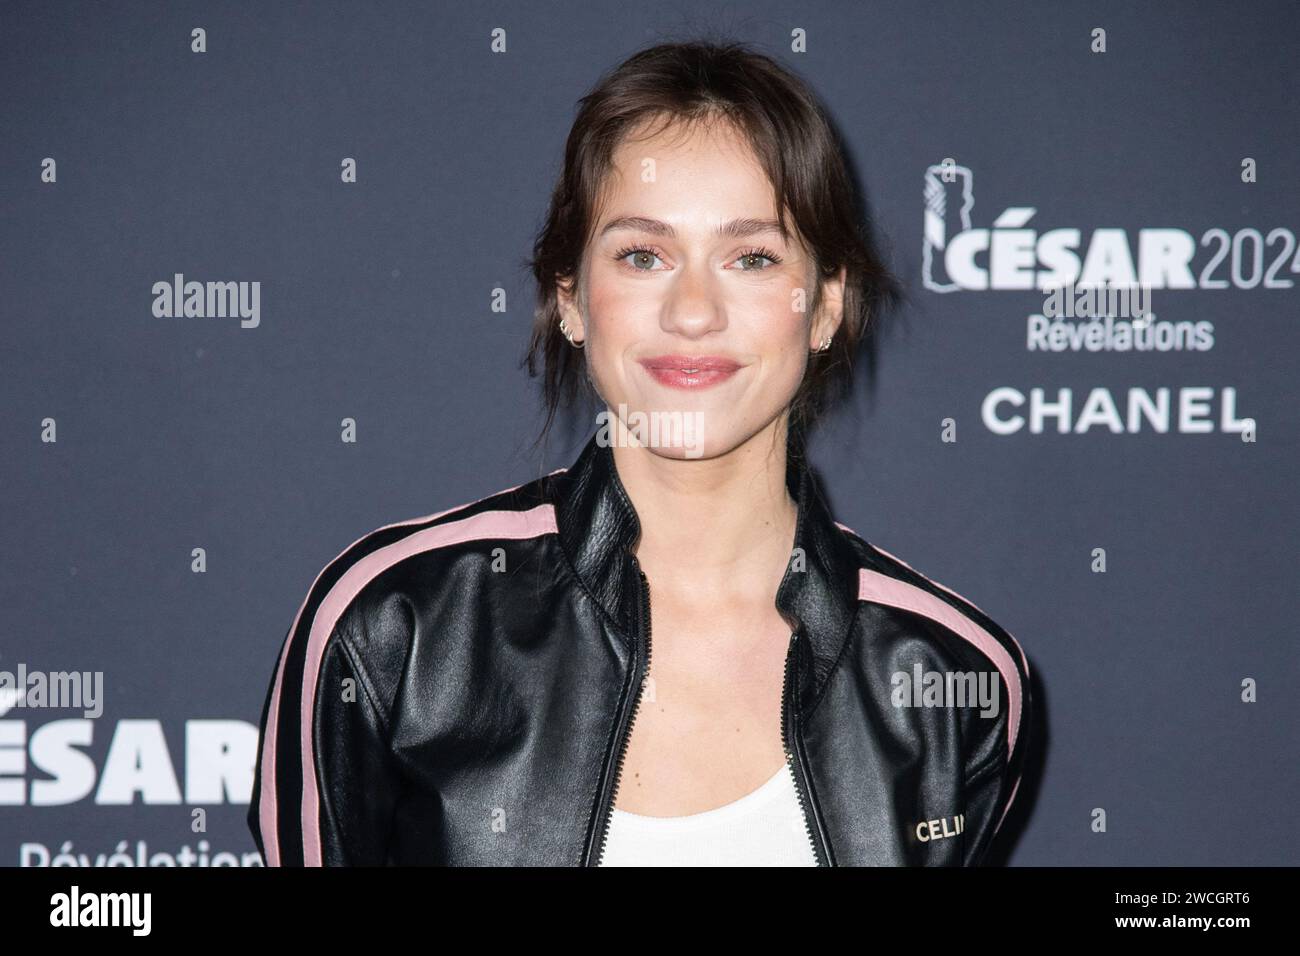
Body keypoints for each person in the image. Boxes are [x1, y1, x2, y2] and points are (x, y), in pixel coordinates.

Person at [247, 39, 1032, 866]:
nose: (693, 311)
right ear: (572, 300)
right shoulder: (393, 626)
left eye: (752, 257)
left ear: (827, 306)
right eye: (643, 255)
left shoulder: (948, 678)